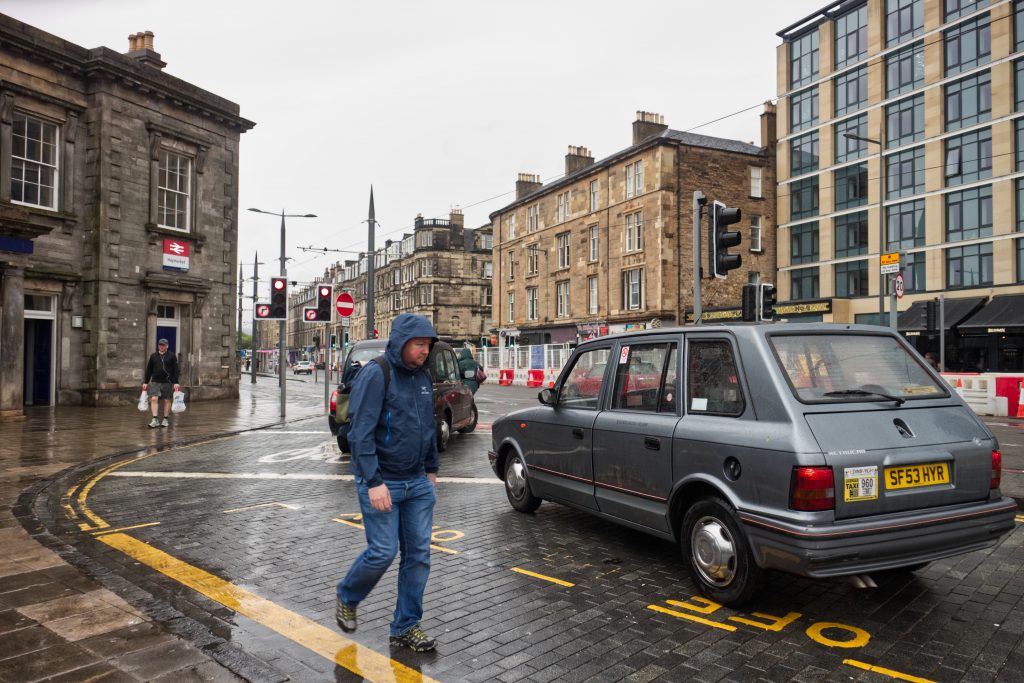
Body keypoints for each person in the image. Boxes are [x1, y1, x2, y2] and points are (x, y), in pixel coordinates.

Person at [336, 313, 440, 652]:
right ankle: (348, 595)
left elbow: (427, 425)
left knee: (419, 555)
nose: (425, 351)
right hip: (383, 481)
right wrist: (374, 481)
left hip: (418, 483)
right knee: (383, 551)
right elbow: (360, 433)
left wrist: (431, 467)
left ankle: (406, 627)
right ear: (401, 342)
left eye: (428, 344)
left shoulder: (423, 376)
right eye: (419, 344)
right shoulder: (376, 373)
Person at [142, 339, 180, 428]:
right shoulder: (153, 356)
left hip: (167, 381)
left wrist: (176, 382)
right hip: (155, 381)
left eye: (163, 345)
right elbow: (149, 370)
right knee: (154, 399)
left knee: (166, 400)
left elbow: (176, 370)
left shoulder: (172, 356)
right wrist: (145, 382)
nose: (161, 347)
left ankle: (165, 419)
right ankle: (155, 419)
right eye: (160, 345)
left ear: (167, 346)